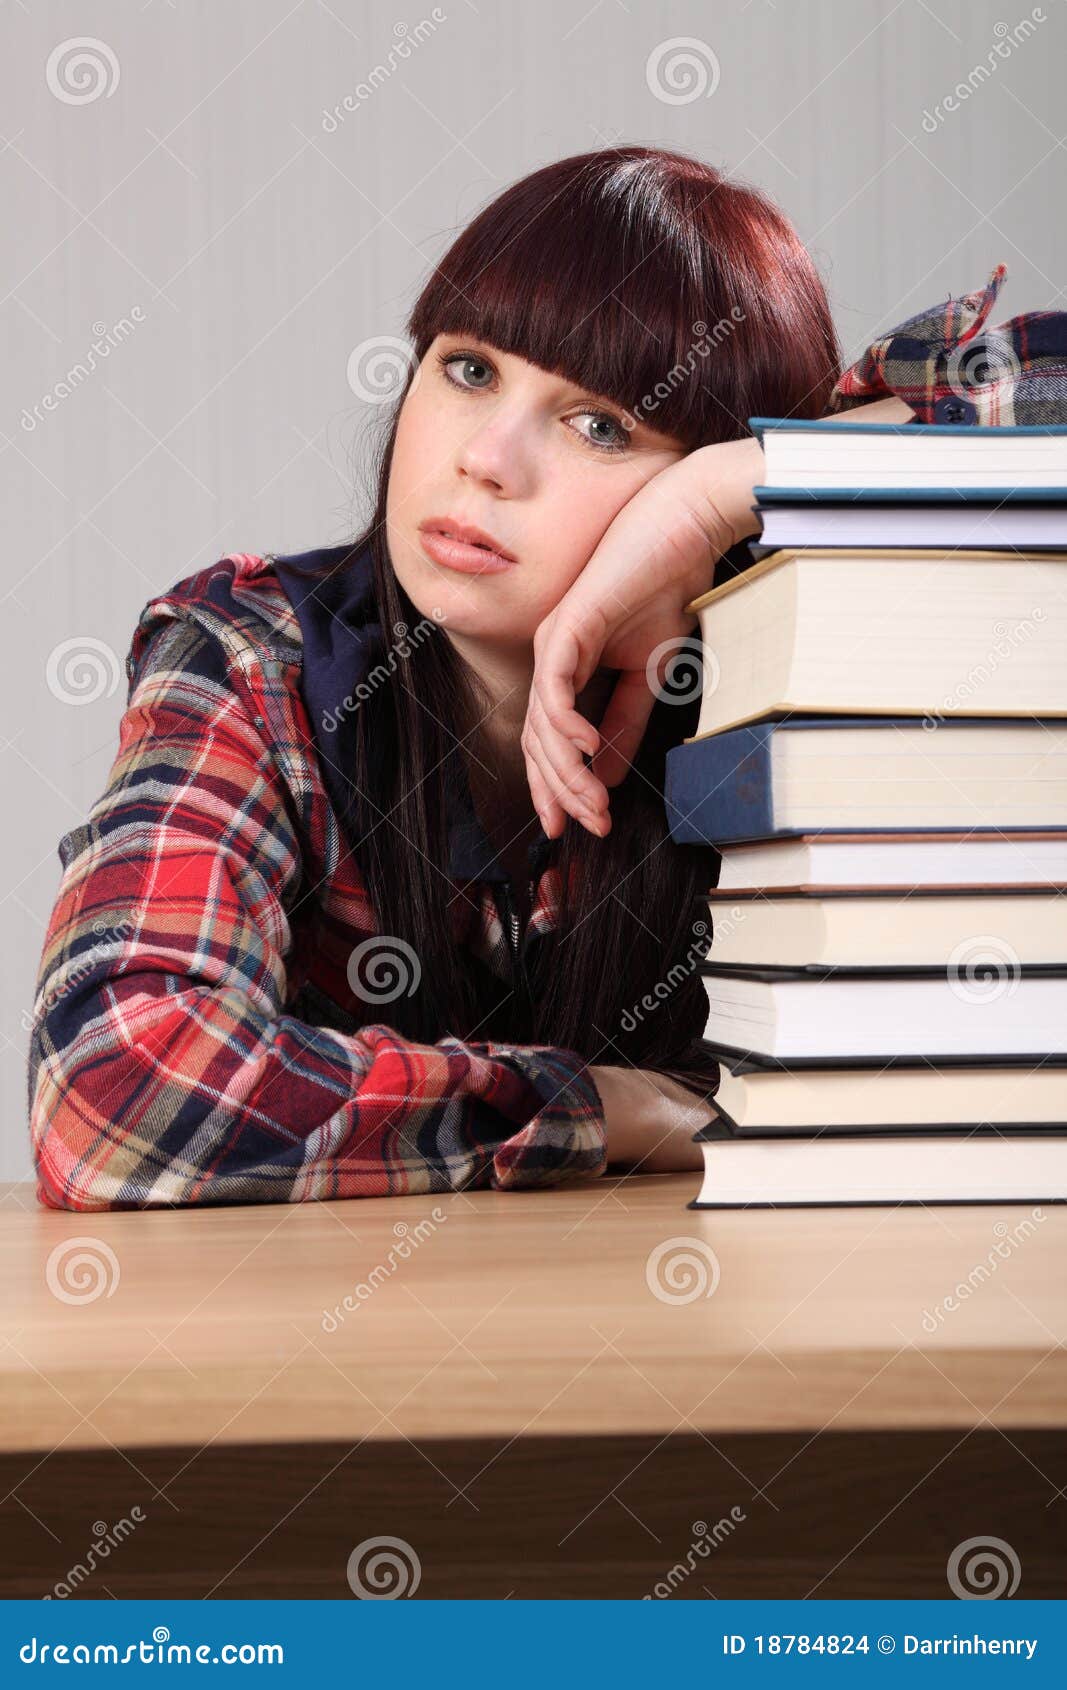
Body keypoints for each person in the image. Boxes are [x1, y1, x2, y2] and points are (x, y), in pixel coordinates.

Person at [27, 144, 915, 1212]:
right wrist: (595, 1106)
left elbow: (1013, 385)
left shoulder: (786, 681)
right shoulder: (255, 658)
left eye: (600, 426)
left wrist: (740, 488)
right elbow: (119, 1096)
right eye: (469, 369)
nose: (487, 457)